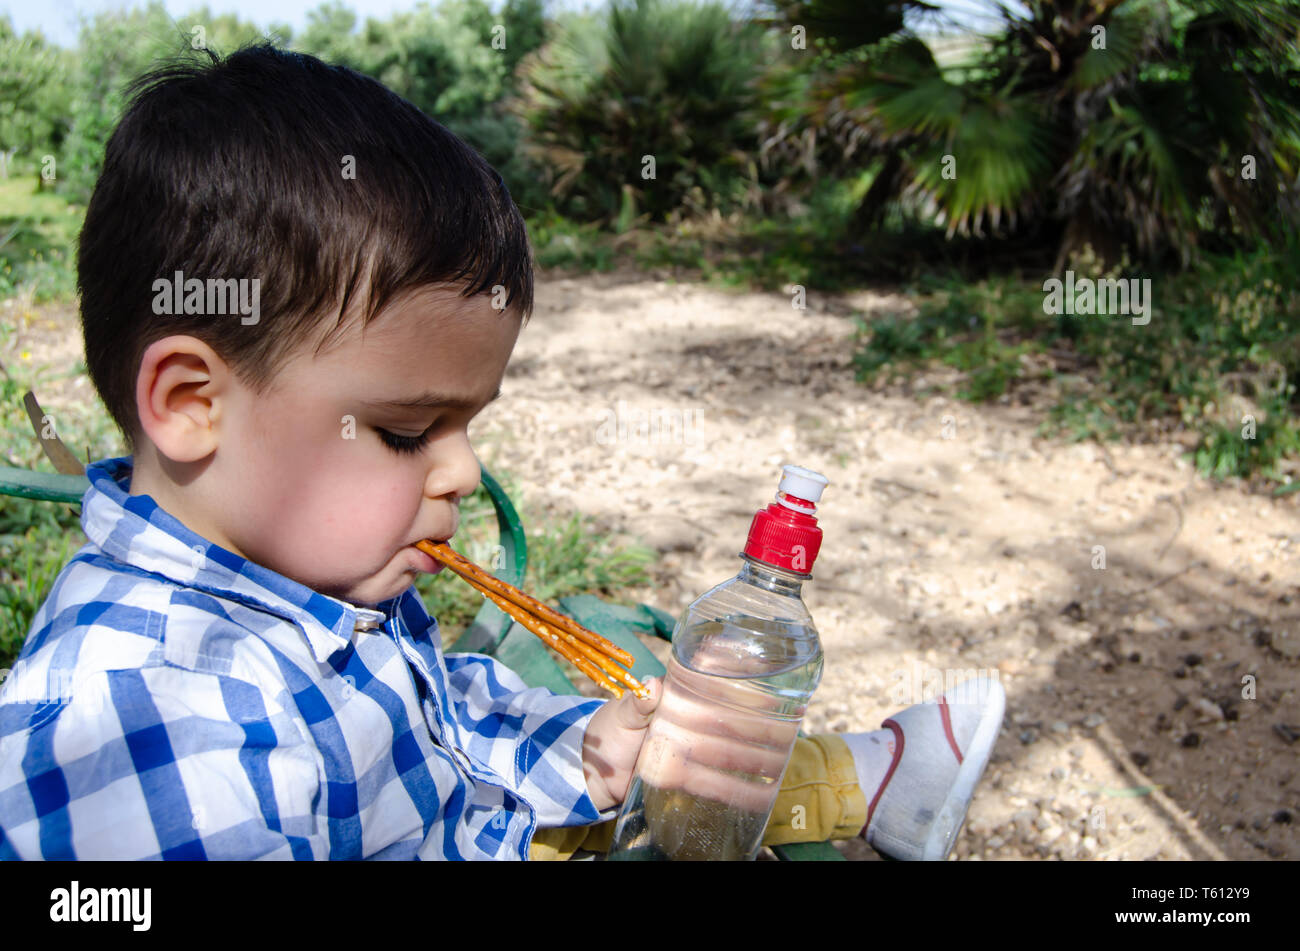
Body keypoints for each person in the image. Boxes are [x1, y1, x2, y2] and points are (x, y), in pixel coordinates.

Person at [0, 45, 1004, 861]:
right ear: (190, 403)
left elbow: (436, 723)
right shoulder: (151, 731)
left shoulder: (309, 574)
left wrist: (583, 752)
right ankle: (866, 779)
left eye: (465, 422)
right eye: (405, 431)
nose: (464, 474)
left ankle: (867, 781)